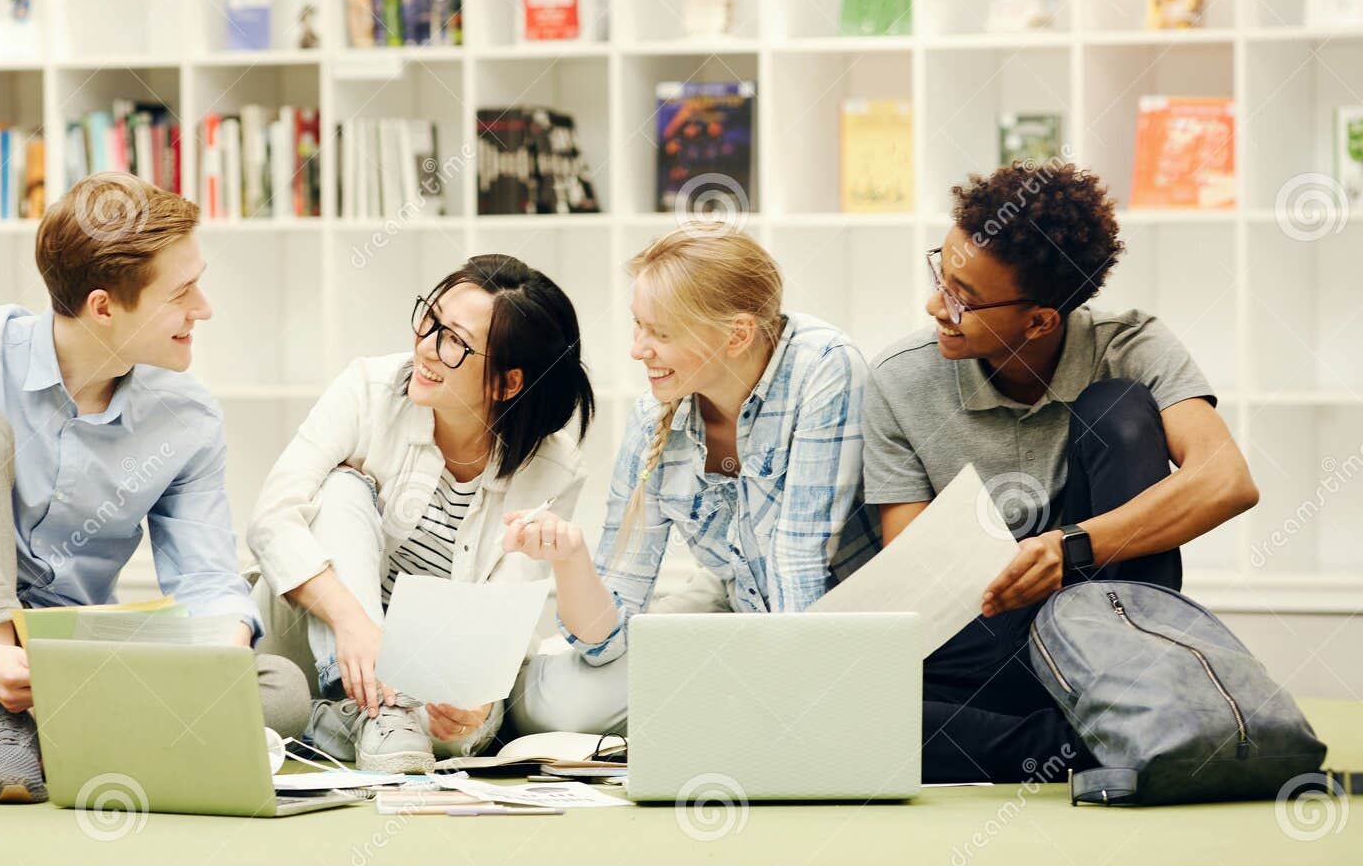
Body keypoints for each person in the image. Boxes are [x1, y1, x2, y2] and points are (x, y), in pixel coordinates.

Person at [0, 173, 311, 803]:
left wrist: (216, 675)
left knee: (279, 695)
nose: (204, 308)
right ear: (103, 307)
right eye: (182, 292)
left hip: (61, 664)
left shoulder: (185, 417)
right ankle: (3, 719)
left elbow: (206, 581)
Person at [861, 162, 1259, 782]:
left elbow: (1226, 480)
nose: (936, 305)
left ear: (1041, 321)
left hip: (1108, 622)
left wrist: (1066, 548)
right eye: (941, 273)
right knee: (853, 716)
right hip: (986, 632)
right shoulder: (899, 379)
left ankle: (1104, 715)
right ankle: (1097, 738)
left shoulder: (1129, 345)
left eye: (964, 297)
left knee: (1119, 407)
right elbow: (915, 572)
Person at [502, 224, 881, 735]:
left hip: (830, 623)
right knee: (555, 707)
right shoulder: (651, 419)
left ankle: (731, 709)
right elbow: (606, 638)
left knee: (779, 705)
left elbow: (798, 560)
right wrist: (570, 560)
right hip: (736, 609)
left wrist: (796, 698)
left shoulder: (824, 366)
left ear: (738, 334)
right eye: (638, 326)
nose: (638, 350)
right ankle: (724, 707)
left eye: (660, 333)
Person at [247, 255, 595, 773]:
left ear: (507, 383)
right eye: (430, 320)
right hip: (310, 630)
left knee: (467, 731)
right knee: (341, 489)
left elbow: (503, 612)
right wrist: (354, 622)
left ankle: (336, 724)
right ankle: (376, 713)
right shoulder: (368, 389)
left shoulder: (554, 470)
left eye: (454, 341)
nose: (426, 347)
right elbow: (271, 521)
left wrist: (473, 701)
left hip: (426, 670)